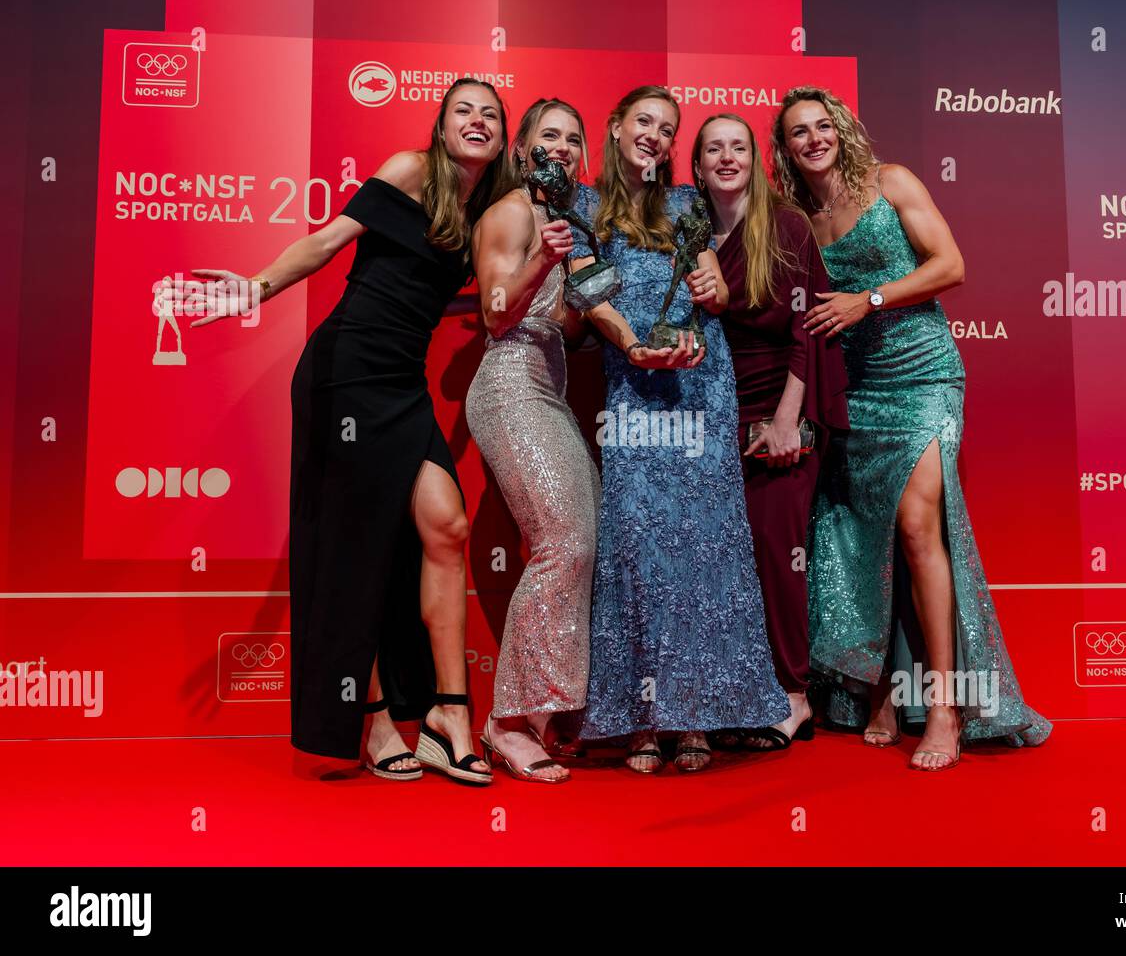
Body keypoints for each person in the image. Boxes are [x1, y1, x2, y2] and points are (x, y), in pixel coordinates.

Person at [163, 78, 515, 784]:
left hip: (402, 384)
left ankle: (448, 716)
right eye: (462, 112)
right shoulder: (410, 171)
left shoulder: (488, 211)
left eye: (491, 114)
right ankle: (376, 716)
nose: (477, 121)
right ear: (441, 127)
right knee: (359, 548)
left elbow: (455, 292)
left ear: (503, 137)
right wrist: (254, 288)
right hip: (345, 373)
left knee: (443, 524)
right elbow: (327, 241)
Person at [773, 86, 1051, 770]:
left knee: (920, 527)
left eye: (821, 126)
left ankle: (946, 708)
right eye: (797, 133)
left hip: (923, 377)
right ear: (784, 149)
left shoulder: (888, 181)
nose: (813, 139)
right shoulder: (799, 218)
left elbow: (949, 266)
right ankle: (882, 693)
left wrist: (868, 298)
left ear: (839, 129)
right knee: (869, 536)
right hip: (856, 390)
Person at [569, 86, 789, 774]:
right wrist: (634, 345)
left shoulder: (688, 204)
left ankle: (695, 713)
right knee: (635, 543)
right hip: (633, 385)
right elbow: (585, 292)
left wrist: (707, 302)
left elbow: (716, 292)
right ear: (615, 126)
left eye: (668, 129)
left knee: (704, 545)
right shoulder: (581, 206)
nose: (657, 137)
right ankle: (640, 718)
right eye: (645, 122)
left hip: (699, 382)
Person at [693, 112, 848, 751]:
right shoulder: (688, 229)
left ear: (755, 160)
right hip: (710, 413)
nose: (727, 158)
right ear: (697, 165)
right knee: (725, 563)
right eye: (713, 150)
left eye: (739, 148)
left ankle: (793, 696)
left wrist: (789, 420)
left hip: (781, 408)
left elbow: (807, 331)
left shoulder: (785, 225)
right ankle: (738, 693)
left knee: (777, 555)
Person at [465, 98, 601, 784]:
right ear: (522, 151)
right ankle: (508, 721)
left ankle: (549, 710)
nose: (565, 147)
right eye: (550, 136)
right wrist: (539, 265)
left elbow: (568, 329)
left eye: (575, 139)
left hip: (550, 386)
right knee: (563, 543)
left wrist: (585, 291)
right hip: (509, 384)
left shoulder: (568, 220)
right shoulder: (513, 212)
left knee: (581, 540)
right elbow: (495, 314)